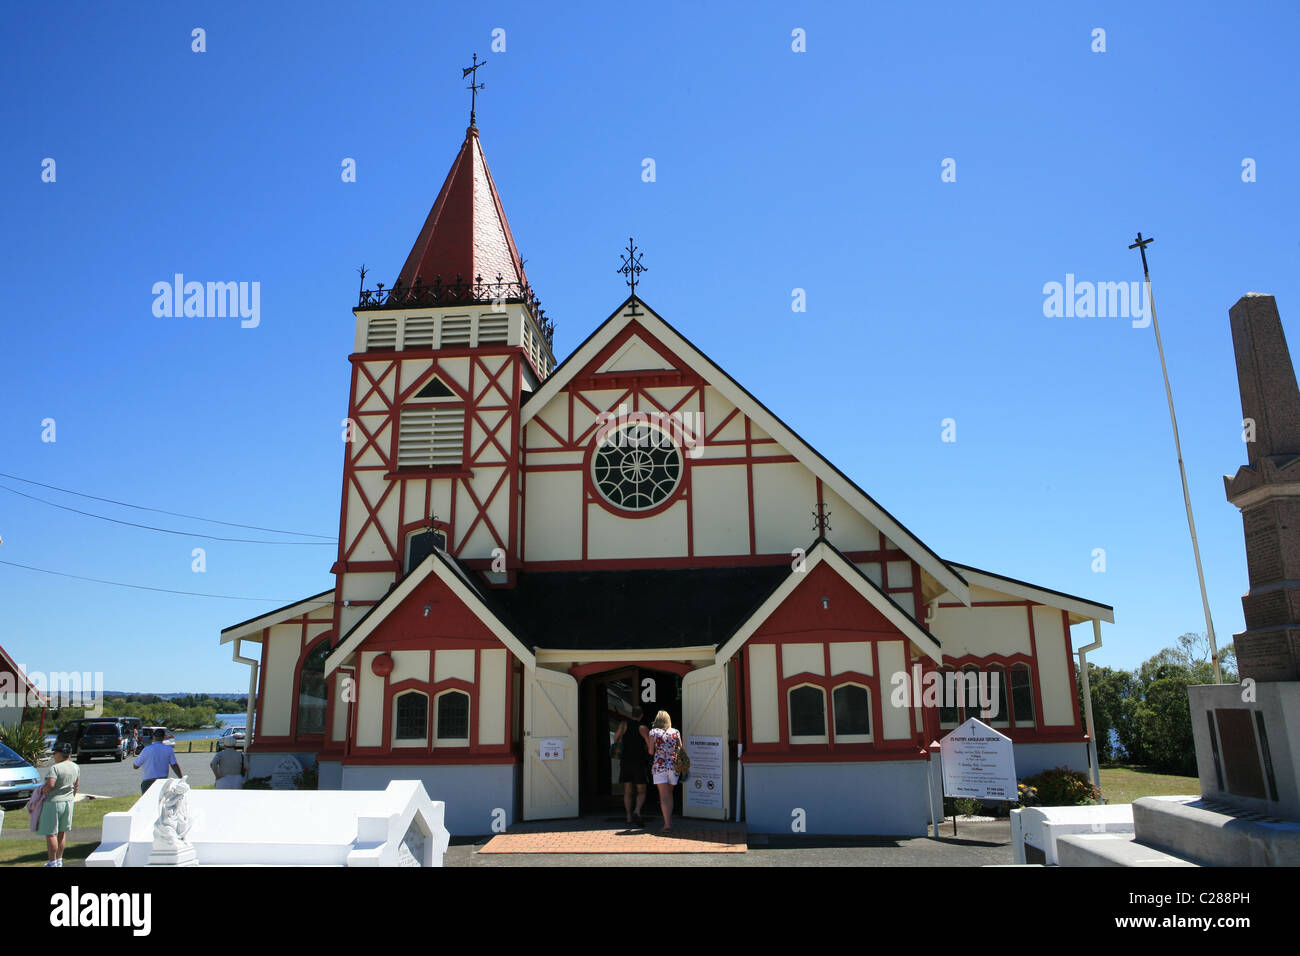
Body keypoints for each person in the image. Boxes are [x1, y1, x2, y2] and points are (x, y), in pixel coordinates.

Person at [39, 743, 79, 867]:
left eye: (55, 753)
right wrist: (71, 797)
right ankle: (59, 860)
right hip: (68, 801)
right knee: (62, 832)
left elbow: (50, 785)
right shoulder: (75, 766)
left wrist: (41, 791)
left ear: (60, 754)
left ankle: (52, 862)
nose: (54, 756)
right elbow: (76, 785)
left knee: (51, 833)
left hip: (54, 802)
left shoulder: (55, 768)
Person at [612, 707, 650, 827]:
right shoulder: (642, 728)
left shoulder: (624, 725)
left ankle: (628, 816)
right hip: (638, 762)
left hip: (625, 761)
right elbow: (650, 747)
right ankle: (637, 811)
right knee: (641, 790)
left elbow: (615, 738)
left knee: (627, 791)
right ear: (641, 715)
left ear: (630, 714)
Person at [646, 710, 682, 831]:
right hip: (673, 766)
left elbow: (651, 751)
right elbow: (680, 749)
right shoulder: (675, 732)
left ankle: (667, 824)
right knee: (670, 793)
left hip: (659, 766)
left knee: (663, 796)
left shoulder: (653, 732)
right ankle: (669, 820)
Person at [133, 728, 183, 794]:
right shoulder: (169, 749)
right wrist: (181, 777)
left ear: (153, 737)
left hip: (148, 782)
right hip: (162, 782)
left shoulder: (147, 749)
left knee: (148, 802)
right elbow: (174, 765)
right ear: (164, 737)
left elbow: (136, 766)